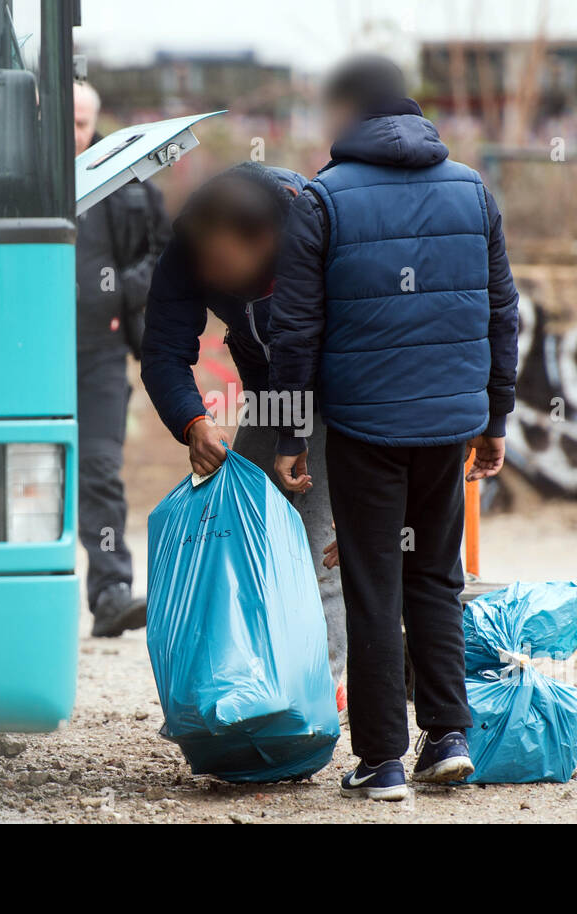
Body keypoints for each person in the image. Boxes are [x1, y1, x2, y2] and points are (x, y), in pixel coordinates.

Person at [267, 55, 520, 800]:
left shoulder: (324, 198)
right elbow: (502, 312)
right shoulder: (472, 191)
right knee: (437, 575)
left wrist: (288, 437)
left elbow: (294, 330)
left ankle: (380, 761)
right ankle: (447, 735)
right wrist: (494, 416)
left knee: (373, 583)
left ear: (353, 123)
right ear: (415, 119)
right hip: (447, 424)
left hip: (364, 426)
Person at [140, 162, 349, 698]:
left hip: (343, 387)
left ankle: (315, 695)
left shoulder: (317, 230)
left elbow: (346, 341)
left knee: (316, 535)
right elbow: (163, 350)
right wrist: (193, 421)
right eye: (204, 260)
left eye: (224, 261)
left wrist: (298, 439)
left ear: (265, 241)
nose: (212, 273)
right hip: (271, 388)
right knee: (244, 524)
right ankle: (245, 677)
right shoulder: (189, 247)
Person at [73, 81, 171, 637]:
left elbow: (165, 255)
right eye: (67, 121)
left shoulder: (127, 181)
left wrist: (120, 295)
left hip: (102, 355)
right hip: (23, 352)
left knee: (100, 469)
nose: (76, 133)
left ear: (95, 121)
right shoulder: (19, 178)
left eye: (84, 123)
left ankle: (111, 593)